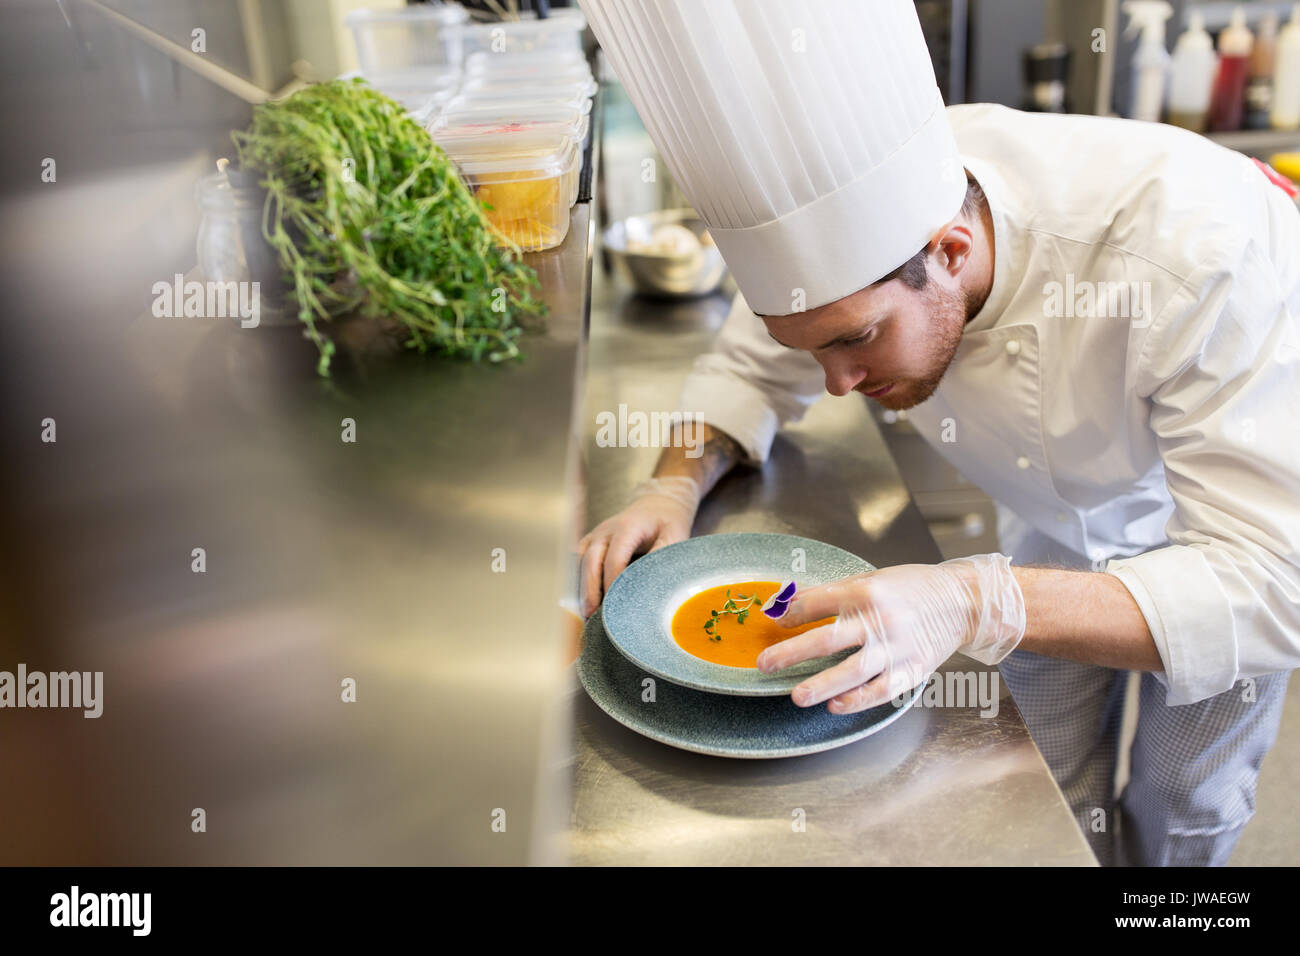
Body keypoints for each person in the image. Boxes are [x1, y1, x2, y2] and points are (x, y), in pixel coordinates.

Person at [577, 0, 1300, 866]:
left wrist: (974, 598)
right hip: (1048, 520)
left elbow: (1269, 586)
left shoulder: (1194, 257)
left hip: (1239, 520)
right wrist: (673, 482)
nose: (841, 384)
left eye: (857, 340)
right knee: (1037, 769)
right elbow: (747, 371)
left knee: (1186, 797)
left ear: (951, 253)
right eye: (815, 347)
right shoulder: (853, 236)